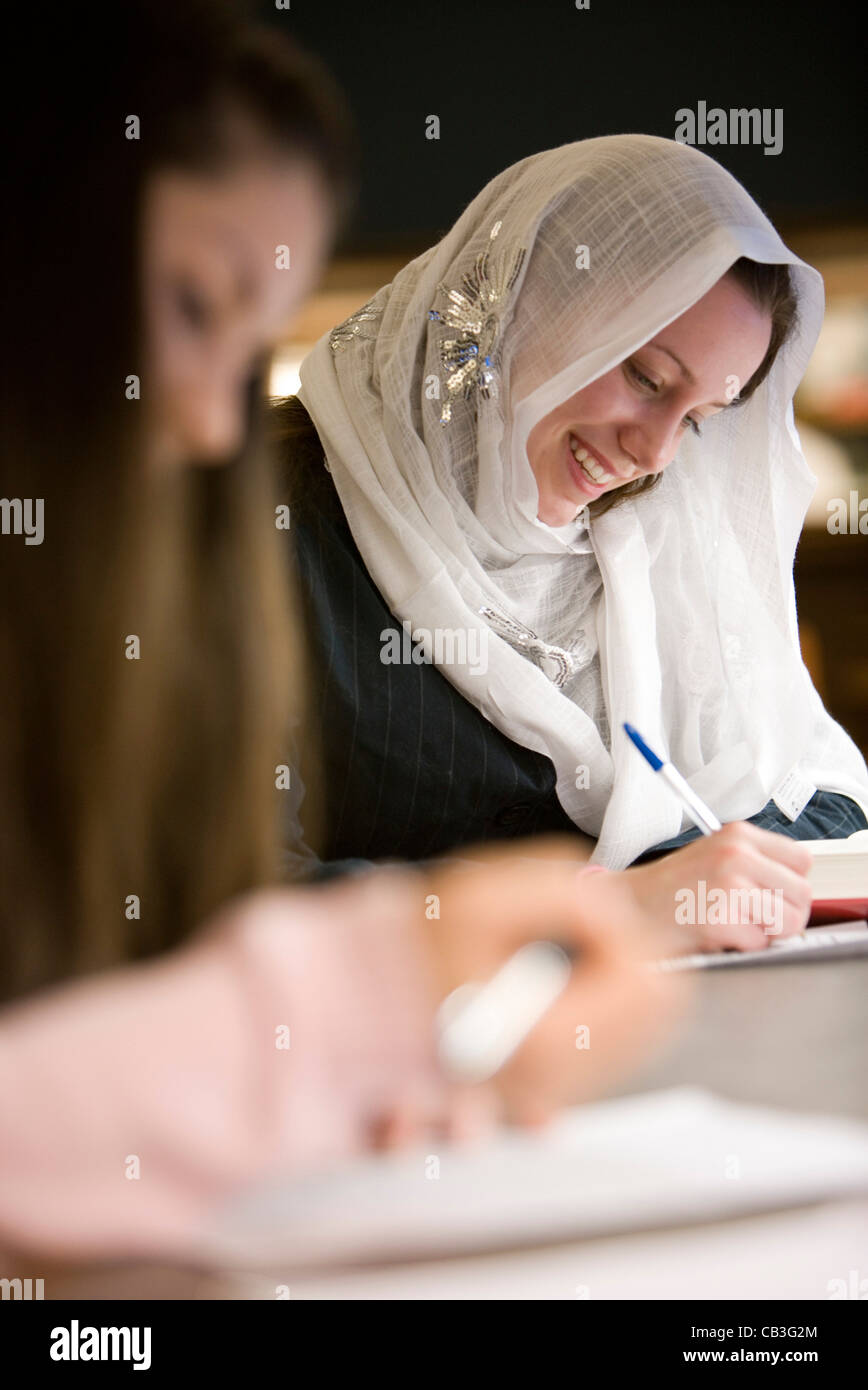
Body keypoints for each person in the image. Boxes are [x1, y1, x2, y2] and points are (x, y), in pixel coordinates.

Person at [0, 6, 681, 1265]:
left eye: (249, 334)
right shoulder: (282, 517)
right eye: (187, 305)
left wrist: (307, 1080)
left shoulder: (161, 590)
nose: (210, 425)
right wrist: (356, 995)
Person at [275, 134, 868, 937]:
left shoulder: (645, 540)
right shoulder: (264, 524)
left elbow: (818, 796)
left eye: (696, 421)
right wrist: (621, 906)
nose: (652, 453)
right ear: (523, 299)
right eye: (645, 378)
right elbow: (230, 892)